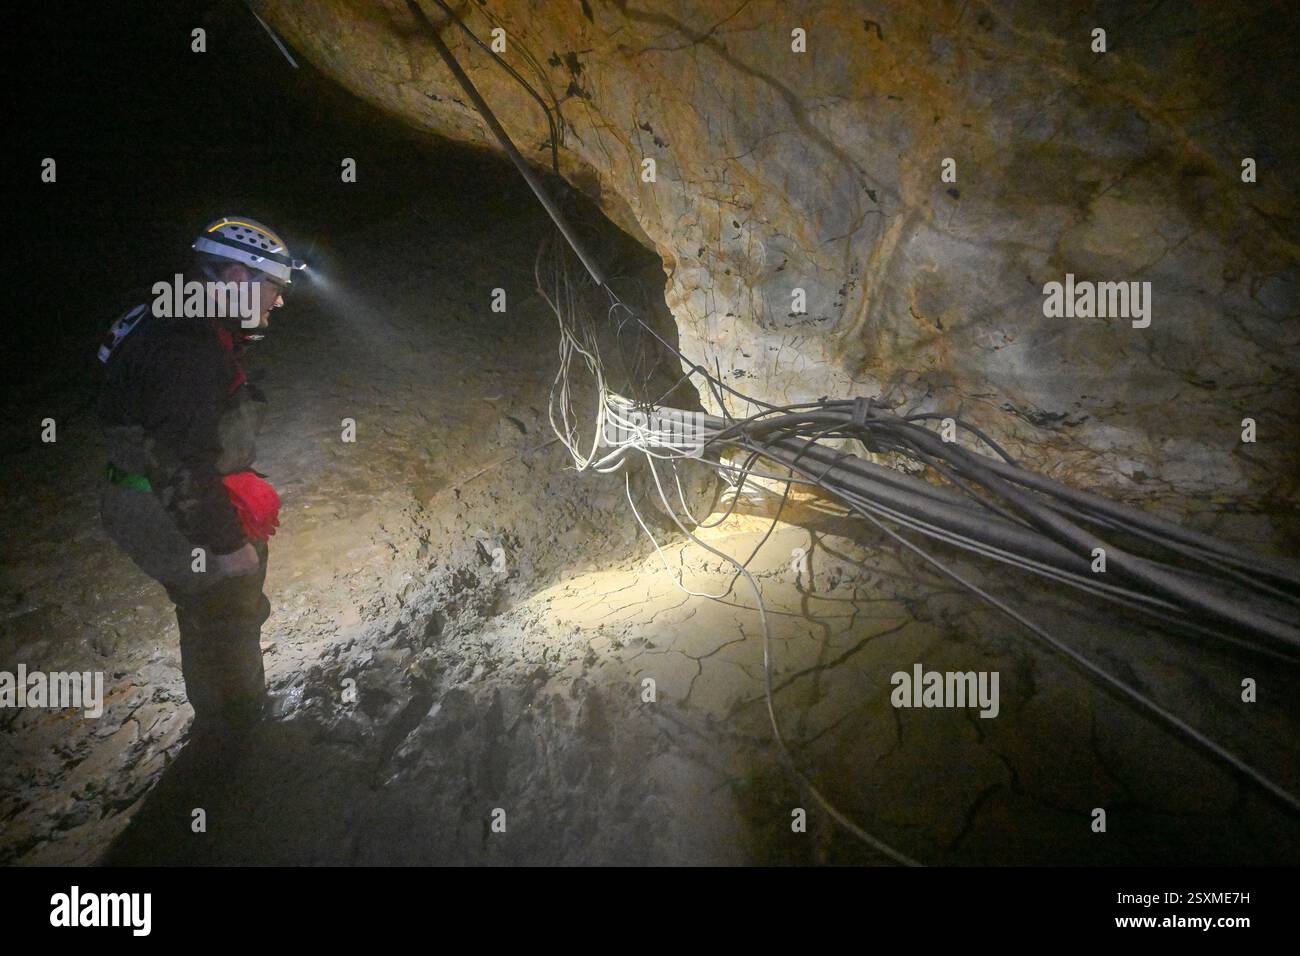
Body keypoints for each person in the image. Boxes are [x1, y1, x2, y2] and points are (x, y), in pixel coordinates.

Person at [97, 216, 304, 741]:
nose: (278, 302)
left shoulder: (171, 312)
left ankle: (223, 716)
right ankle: (237, 731)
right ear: (235, 277)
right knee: (226, 606)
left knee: (205, 608)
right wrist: (227, 544)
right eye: (273, 288)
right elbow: (180, 465)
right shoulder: (186, 347)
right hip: (162, 506)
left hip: (143, 491)